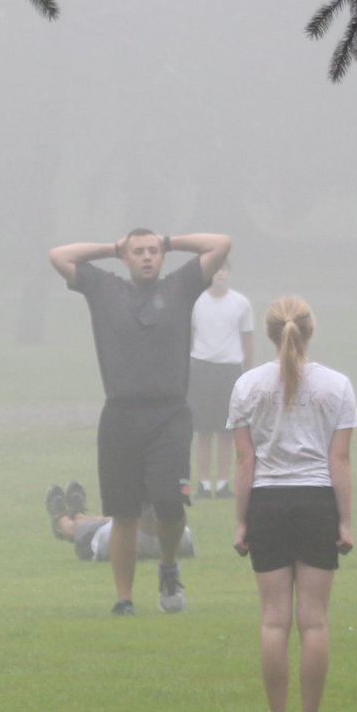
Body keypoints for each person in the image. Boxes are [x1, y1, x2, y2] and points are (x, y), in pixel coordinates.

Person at [47, 226, 233, 615]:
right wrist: (112, 246)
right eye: (138, 251)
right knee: (124, 513)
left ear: (161, 257)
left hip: (169, 414)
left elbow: (221, 244)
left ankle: (168, 567)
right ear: (126, 258)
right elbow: (59, 255)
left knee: (168, 504)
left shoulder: (179, 287)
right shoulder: (105, 288)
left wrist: (170, 241)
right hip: (120, 415)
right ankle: (124, 598)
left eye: (152, 251)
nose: (147, 257)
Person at [229, 297, 357, 712]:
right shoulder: (337, 386)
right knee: (315, 621)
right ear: (311, 331)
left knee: (273, 620)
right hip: (317, 502)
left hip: (267, 503)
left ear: (269, 333)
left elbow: (245, 463)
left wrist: (243, 522)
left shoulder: (247, 386)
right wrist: (344, 521)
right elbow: (338, 460)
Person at [188, 266, 254, 498]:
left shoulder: (241, 303)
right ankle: (204, 484)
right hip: (202, 368)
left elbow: (247, 339)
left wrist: (248, 374)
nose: (219, 274)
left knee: (227, 430)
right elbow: (190, 334)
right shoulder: (196, 301)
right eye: (215, 270)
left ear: (229, 272)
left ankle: (223, 483)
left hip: (230, 370)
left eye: (223, 269)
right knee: (204, 430)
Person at [42, 481, 196, 562]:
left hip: (96, 538)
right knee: (109, 520)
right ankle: (78, 512)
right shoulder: (182, 535)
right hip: (119, 527)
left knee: (75, 528)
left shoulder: (108, 540)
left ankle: (60, 518)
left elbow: (98, 552)